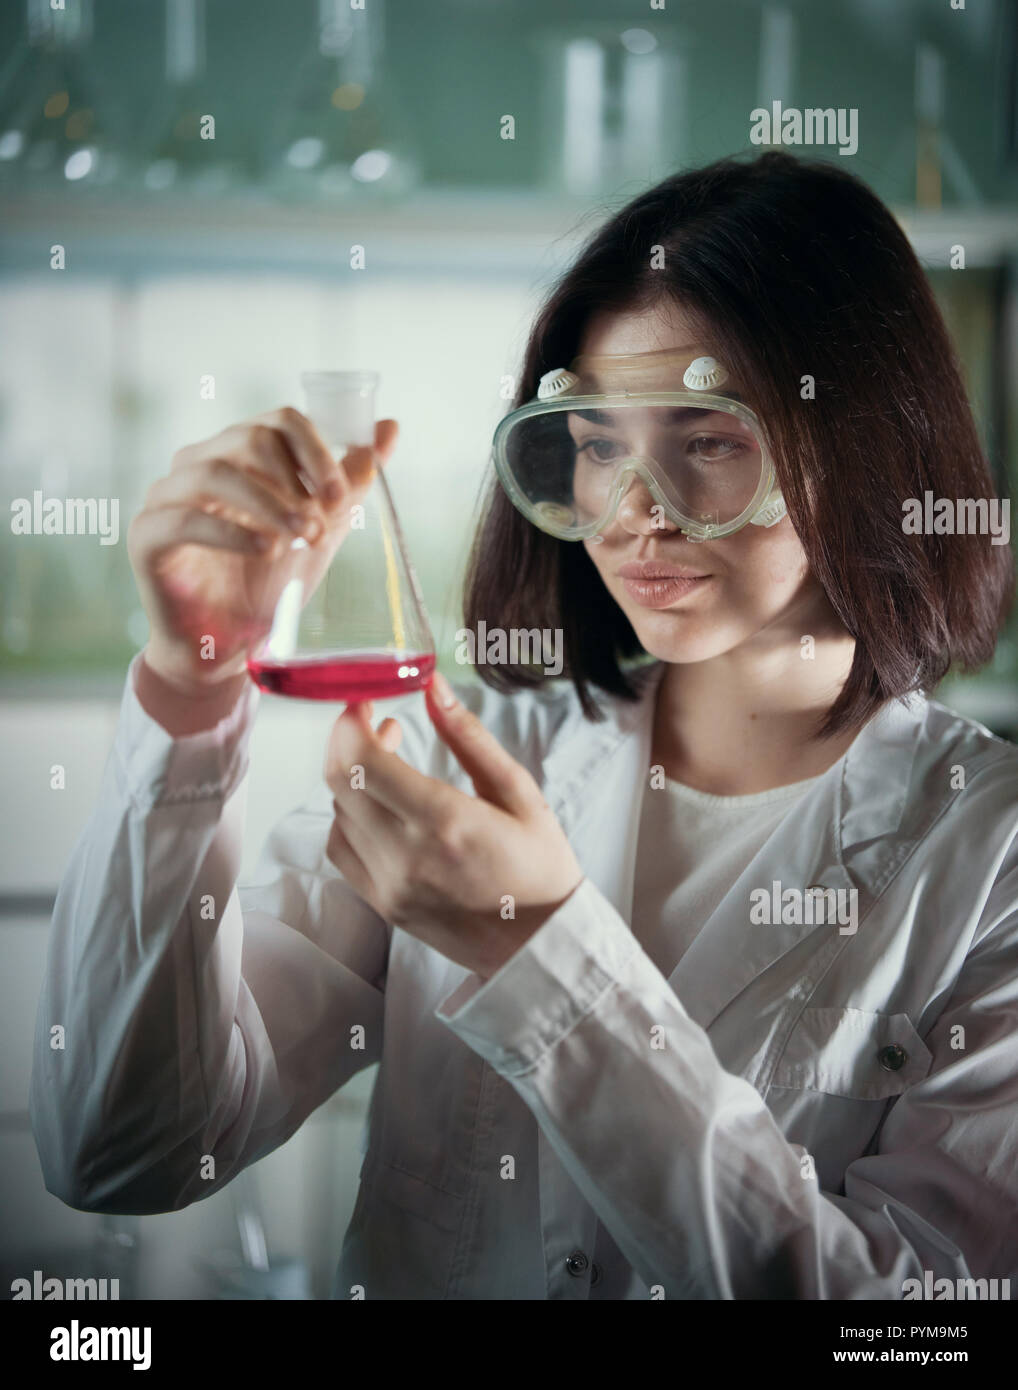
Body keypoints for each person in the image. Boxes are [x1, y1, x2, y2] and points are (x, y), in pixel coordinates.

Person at [29, 151, 1018, 1299]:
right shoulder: (470, 757)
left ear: (866, 445)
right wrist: (189, 689)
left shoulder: (988, 855)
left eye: (706, 439)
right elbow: (125, 1148)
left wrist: (540, 954)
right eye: (597, 446)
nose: (634, 514)